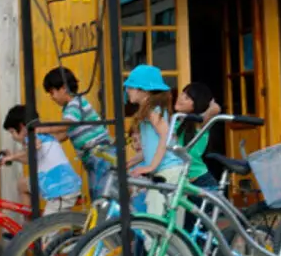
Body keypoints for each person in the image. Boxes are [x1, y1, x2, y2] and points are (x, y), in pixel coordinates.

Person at [35, 66, 114, 198]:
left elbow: (65, 126)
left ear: (64, 88)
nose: (52, 97)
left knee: (102, 196)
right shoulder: (69, 108)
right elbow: (64, 134)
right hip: (93, 156)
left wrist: (42, 128)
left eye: (52, 92)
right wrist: (45, 140)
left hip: (100, 154)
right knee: (97, 195)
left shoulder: (75, 103)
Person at [124, 64, 184, 217]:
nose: (127, 90)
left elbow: (166, 136)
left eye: (130, 87)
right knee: (164, 229)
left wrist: (151, 166)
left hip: (167, 172)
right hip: (169, 172)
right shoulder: (150, 110)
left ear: (142, 89)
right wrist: (130, 163)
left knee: (155, 228)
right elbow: (152, 147)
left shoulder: (151, 111)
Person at [2, 104, 82, 215]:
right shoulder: (42, 135)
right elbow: (30, 158)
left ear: (21, 126)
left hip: (61, 192)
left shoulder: (33, 137)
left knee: (46, 231)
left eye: (12, 132)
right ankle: (29, 224)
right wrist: (13, 158)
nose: (12, 137)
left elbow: (36, 146)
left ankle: (36, 230)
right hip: (56, 184)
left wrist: (12, 157)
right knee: (22, 184)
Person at [174, 82, 223, 192]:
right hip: (181, 181)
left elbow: (216, 108)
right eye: (182, 94)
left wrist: (208, 103)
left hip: (200, 181)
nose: (180, 98)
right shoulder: (176, 122)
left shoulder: (200, 123)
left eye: (186, 98)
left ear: (197, 103)